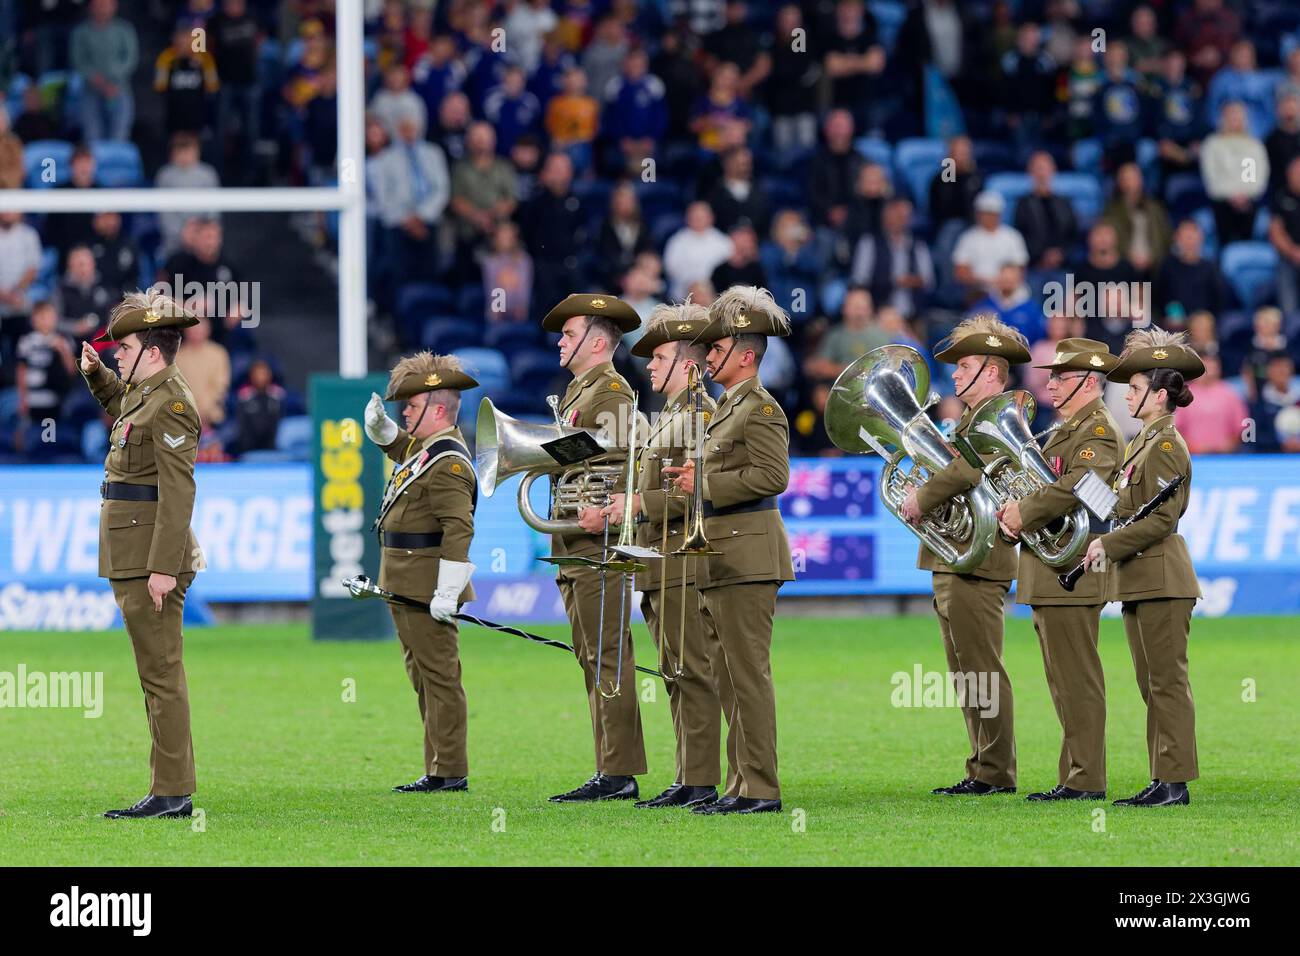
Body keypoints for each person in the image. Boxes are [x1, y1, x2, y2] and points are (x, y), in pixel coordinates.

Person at [665, 285, 795, 815]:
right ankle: (741, 783)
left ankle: (760, 787)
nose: (708, 358)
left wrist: (705, 482)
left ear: (746, 355)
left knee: (746, 676)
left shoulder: (759, 408)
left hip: (746, 555)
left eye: (716, 350)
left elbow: (773, 476)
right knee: (728, 677)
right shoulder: (728, 409)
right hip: (722, 554)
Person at [77, 291, 204, 818]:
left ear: (152, 350)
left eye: (123, 348)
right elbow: (124, 410)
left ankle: (171, 793)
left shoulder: (170, 401)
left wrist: (161, 569)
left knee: (160, 674)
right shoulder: (147, 392)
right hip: (132, 553)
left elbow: (178, 492)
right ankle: (169, 787)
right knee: (156, 672)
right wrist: (96, 374)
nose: (117, 355)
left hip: (147, 559)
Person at [600, 303, 727, 809]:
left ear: (689, 366)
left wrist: (637, 503)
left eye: (660, 358)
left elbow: (698, 492)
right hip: (659, 558)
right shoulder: (669, 417)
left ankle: (700, 779)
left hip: (682, 561)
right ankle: (687, 774)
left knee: (692, 669)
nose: (649, 366)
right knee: (675, 670)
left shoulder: (698, 415)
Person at [900, 315, 1028, 797]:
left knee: (982, 668)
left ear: (992, 372)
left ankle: (995, 771)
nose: (954, 374)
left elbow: (968, 469)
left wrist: (923, 497)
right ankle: (982, 766)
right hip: (955, 555)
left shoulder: (1000, 416)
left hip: (979, 558)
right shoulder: (973, 419)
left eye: (966, 365)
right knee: (965, 671)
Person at [1082, 328, 1205, 807]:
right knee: (1151, 684)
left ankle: (1174, 782)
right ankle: (1164, 775)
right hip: (1141, 578)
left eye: (1133, 389)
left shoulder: (1166, 445)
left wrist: (1107, 544)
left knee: (1166, 683)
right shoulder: (1142, 443)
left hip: (1161, 577)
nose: (1126, 395)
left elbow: (1160, 519)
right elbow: (1122, 505)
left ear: (1158, 395)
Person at [998, 339, 1123, 801]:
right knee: (1062, 678)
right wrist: (1015, 515)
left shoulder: (1099, 431)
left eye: (1060, 378)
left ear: (1089, 383)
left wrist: (1023, 512)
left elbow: (1081, 486)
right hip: (1051, 561)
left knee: (1077, 677)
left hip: (1073, 562)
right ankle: (1074, 775)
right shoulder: (1063, 430)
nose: (1048, 384)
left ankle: (1086, 780)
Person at [545, 293, 647, 801]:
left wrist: (539, 452)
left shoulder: (612, 391)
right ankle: (610, 766)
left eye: (569, 334)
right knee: (593, 654)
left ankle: (619, 771)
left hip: (596, 539)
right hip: (574, 539)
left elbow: (608, 447)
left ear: (599, 341)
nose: (560, 342)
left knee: (607, 654)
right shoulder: (579, 391)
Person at [363, 353, 479, 794]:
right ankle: (438, 766)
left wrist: (448, 592)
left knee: (439, 677)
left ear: (438, 409)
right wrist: (381, 431)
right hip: (406, 582)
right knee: (423, 678)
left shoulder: (449, 462)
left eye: (411, 407)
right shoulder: (428, 450)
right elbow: (407, 453)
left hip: (427, 585)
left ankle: (449, 770)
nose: (403, 412)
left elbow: (458, 528)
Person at [70, 0, 139, 142]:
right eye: (98, 5)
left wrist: (112, 81)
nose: (102, 9)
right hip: (91, 90)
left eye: (106, 5)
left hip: (119, 89)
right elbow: (78, 61)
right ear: (91, 7)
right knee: (92, 136)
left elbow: (130, 59)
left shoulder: (124, 29)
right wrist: (99, 81)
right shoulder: (81, 32)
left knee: (120, 136)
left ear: (114, 6)